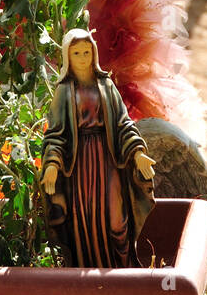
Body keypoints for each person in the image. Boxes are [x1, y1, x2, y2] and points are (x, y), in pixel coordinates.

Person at [41, 28, 156, 267]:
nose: (83, 58)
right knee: (83, 221)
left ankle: (122, 269)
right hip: (79, 164)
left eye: (86, 52)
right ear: (67, 57)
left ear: (94, 53)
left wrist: (138, 153)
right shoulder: (64, 91)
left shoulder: (106, 86)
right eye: (76, 53)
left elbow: (123, 123)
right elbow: (55, 133)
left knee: (117, 221)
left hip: (107, 159)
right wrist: (52, 164)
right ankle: (89, 275)